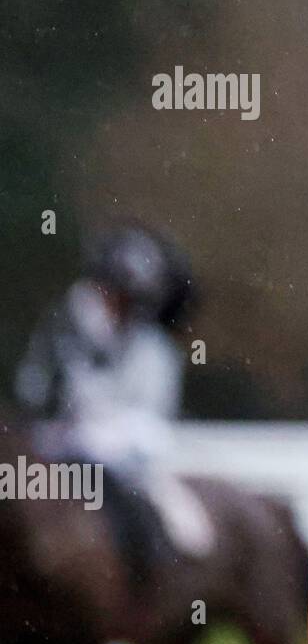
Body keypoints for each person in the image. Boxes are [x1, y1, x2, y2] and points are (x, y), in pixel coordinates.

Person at [14, 219, 200, 587]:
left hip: (128, 441)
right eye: (112, 293)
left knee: (110, 459)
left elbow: (148, 416)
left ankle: (146, 560)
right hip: (63, 436)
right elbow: (33, 389)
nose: (115, 304)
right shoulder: (64, 328)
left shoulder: (152, 348)